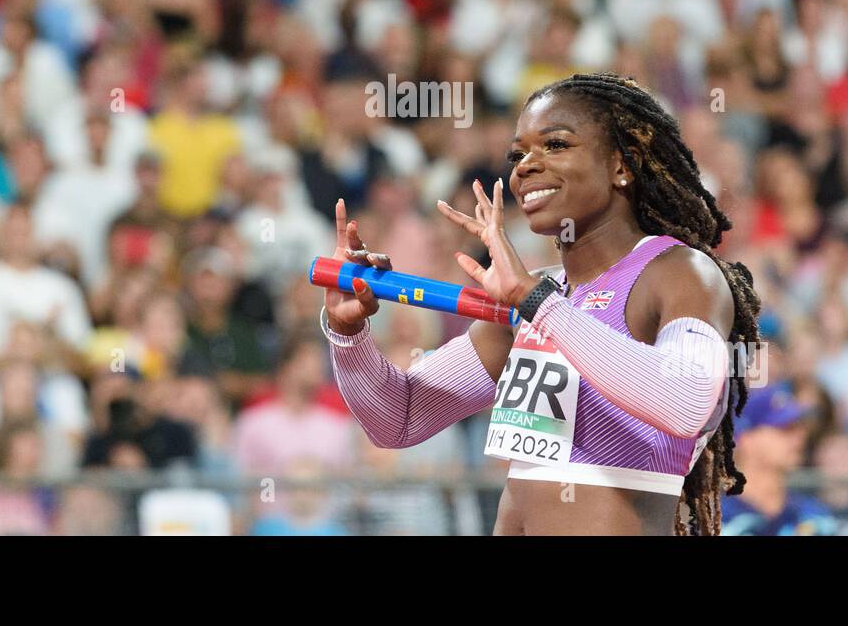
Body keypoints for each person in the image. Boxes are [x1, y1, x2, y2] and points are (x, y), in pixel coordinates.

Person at [321, 72, 762, 535]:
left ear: (621, 165)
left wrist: (536, 302)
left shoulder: (679, 272)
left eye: (555, 145)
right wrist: (349, 336)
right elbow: (399, 419)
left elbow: (685, 401)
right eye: (518, 154)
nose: (525, 166)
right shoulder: (533, 300)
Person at [720, 383, 835, 536]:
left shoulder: (816, 517)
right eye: (785, 429)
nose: (800, 438)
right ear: (745, 439)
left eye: (800, 429)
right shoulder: (716, 520)